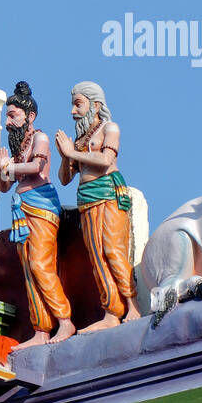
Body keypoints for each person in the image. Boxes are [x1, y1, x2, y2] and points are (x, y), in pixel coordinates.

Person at [55, 80, 141, 331]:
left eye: (78, 104)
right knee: (96, 256)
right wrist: (64, 156)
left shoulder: (110, 128)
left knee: (114, 250)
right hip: (86, 197)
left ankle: (132, 304)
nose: (73, 111)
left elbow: (105, 159)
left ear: (96, 105)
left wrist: (72, 153)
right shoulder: (80, 139)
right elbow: (64, 179)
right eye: (73, 105)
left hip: (108, 192)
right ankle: (111, 311)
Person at [0, 82, 74, 349]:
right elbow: (4, 186)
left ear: (29, 117)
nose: (7, 122)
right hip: (20, 208)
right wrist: (2, 169)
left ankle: (65, 320)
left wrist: (10, 167)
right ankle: (41, 328)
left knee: (41, 264)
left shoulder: (39, 137)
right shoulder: (17, 149)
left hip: (40, 206)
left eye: (13, 115)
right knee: (29, 269)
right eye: (7, 115)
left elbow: (37, 167)